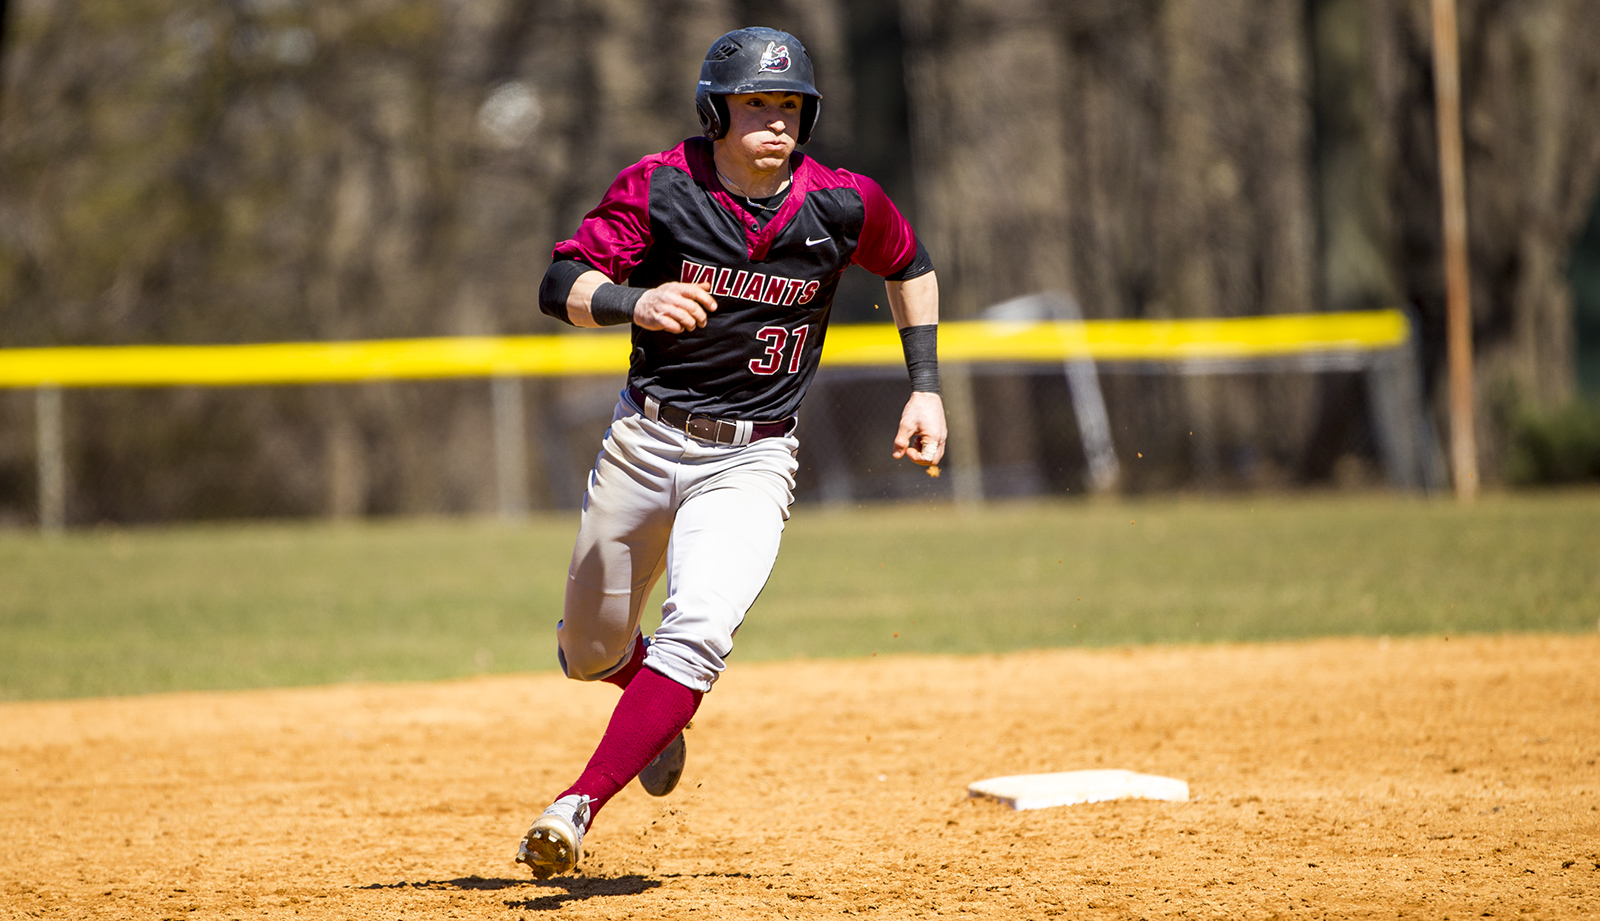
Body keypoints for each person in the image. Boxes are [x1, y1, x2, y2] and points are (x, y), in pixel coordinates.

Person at [515, 25, 946, 879]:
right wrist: (634, 301)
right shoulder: (662, 185)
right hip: (647, 438)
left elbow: (911, 264)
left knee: (701, 626)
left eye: (790, 105)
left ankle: (577, 804)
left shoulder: (842, 202)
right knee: (591, 652)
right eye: (756, 102)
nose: (776, 121)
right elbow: (558, 283)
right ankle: (651, 707)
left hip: (752, 458)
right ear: (716, 109)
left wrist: (925, 384)